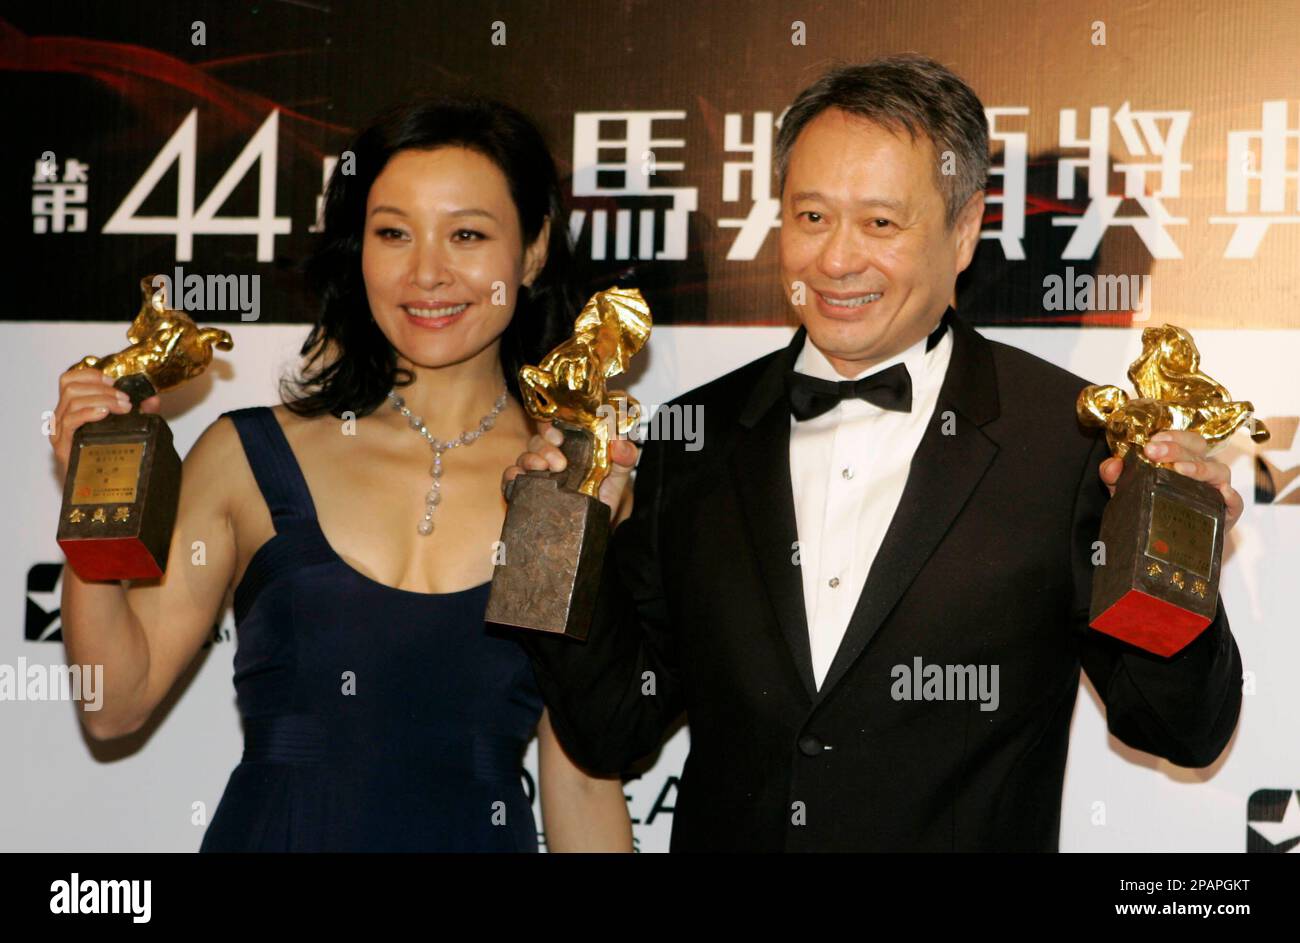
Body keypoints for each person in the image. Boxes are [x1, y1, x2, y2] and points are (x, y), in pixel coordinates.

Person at [504, 55, 1244, 852]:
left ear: (964, 230)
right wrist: (555, 538)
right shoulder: (693, 440)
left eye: (881, 224)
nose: (834, 260)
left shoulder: (1067, 445)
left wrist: (1176, 549)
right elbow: (610, 728)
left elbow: (1181, 727)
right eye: (810, 216)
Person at [52, 96, 632, 852]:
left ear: (531, 250)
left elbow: (583, 783)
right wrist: (92, 499)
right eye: (393, 233)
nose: (426, 272)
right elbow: (113, 704)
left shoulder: (571, 480)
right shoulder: (249, 456)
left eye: (466, 234)